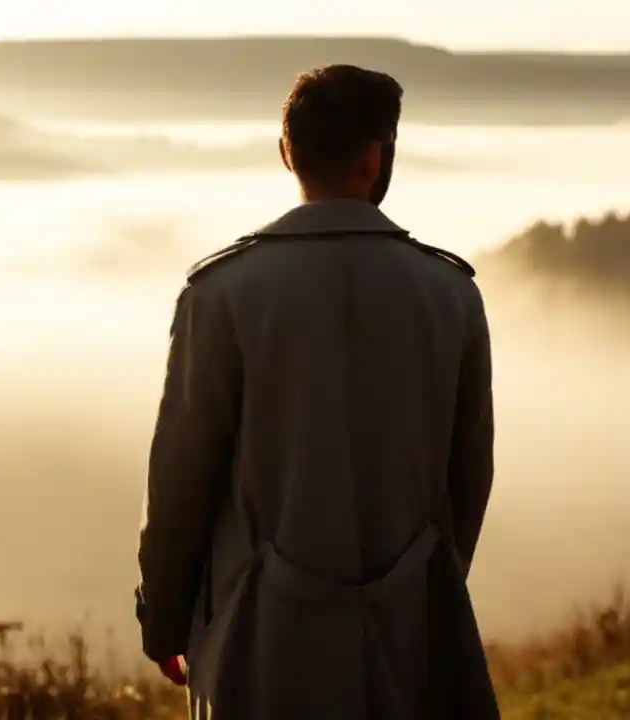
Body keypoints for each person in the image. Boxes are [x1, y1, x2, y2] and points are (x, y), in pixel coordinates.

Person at [135, 64, 498, 720]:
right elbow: (468, 476)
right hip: (414, 635)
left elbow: (181, 481)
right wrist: (432, 590)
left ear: (286, 152)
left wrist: (164, 620)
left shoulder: (222, 296)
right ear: (374, 158)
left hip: (259, 639)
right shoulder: (450, 294)